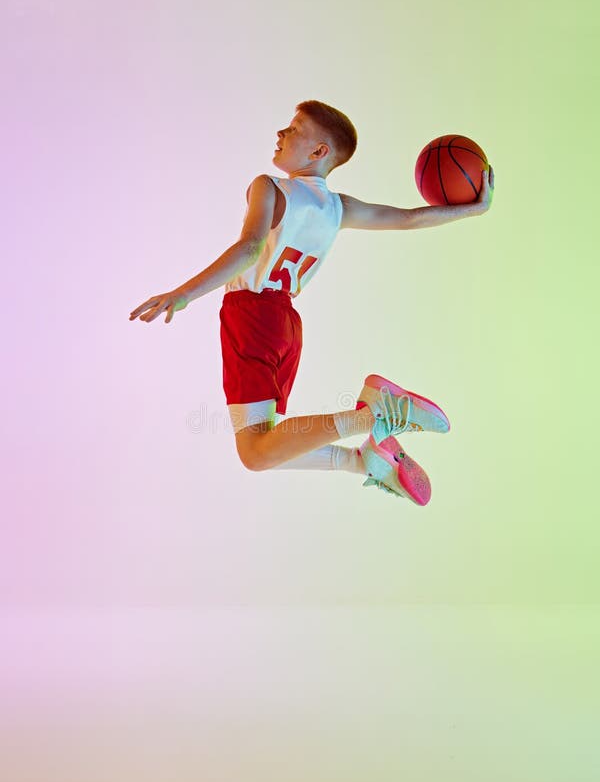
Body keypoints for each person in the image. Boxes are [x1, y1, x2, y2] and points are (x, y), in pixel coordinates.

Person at [129, 100, 494, 504]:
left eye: (294, 128)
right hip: (285, 322)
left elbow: (250, 248)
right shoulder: (338, 208)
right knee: (264, 448)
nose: (281, 134)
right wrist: (473, 210)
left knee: (256, 451)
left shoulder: (269, 186)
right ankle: (365, 460)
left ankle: (376, 413)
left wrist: (183, 294)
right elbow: (408, 218)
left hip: (251, 314)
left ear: (319, 152)